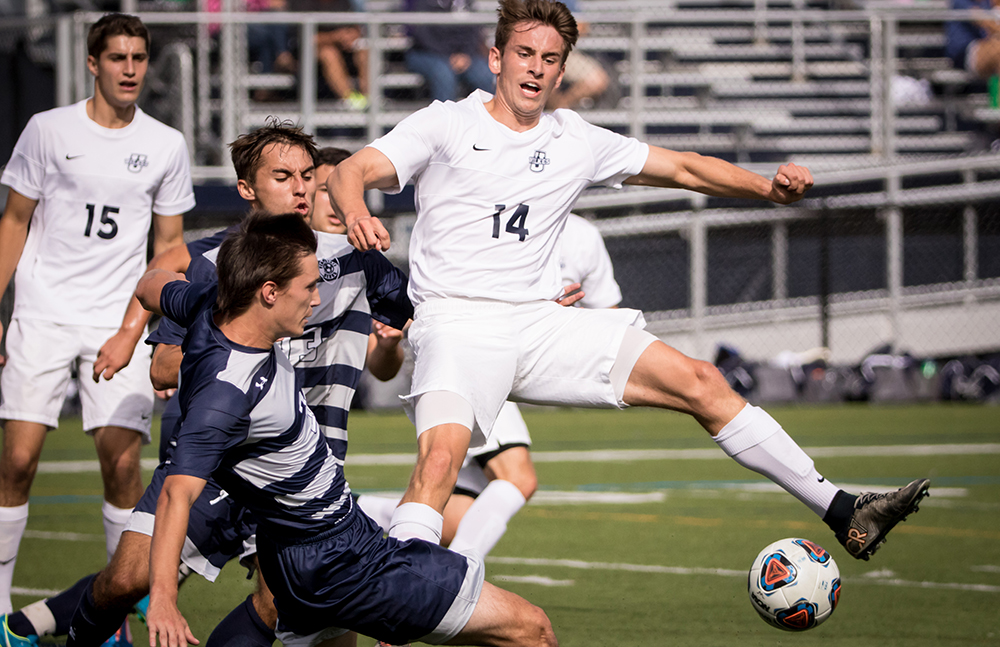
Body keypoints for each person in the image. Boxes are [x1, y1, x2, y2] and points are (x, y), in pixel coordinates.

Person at [328, 0, 930, 564]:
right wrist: (356, 210)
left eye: (550, 59)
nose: (536, 69)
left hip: (543, 323)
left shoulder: (576, 139)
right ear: (496, 58)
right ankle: (396, 594)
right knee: (438, 466)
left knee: (701, 379)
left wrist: (768, 189)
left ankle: (843, 510)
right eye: (524, 54)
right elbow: (353, 170)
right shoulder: (446, 123)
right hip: (457, 324)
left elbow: (685, 167)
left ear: (563, 69)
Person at [137, 213, 557, 647]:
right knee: (532, 629)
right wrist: (164, 598)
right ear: (268, 293)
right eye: (309, 287)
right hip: (339, 559)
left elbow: (150, 284)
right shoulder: (226, 395)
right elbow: (176, 493)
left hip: (300, 550)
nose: (316, 300)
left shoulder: (209, 305)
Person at [0, 11, 193, 621]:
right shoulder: (47, 130)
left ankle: (112, 616)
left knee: (122, 465)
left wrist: (144, 330)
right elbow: (13, 222)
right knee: (17, 462)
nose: (130, 69)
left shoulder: (166, 144)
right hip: (42, 314)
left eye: (139, 57)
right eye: (118, 58)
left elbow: (170, 248)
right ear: (93, 63)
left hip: (117, 323)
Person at [358, 213, 619, 557]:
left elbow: (608, 316)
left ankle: (355, 513)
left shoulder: (583, 235)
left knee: (456, 518)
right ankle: (458, 581)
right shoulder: (481, 211)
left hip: (516, 371)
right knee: (516, 477)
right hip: (471, 355)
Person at [404, 0, 496, 103]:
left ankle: (489, 118)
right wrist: (448, 56)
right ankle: (445, 118)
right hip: (426, 52)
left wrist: (465, 54)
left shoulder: (465, 2)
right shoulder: (421, 3)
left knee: (485, 74)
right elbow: (421, 33)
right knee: (443, 75)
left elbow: (474, 29)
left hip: (463, 55)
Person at [945, 0, 1000, 81]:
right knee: (998, 51)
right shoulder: (961, 2)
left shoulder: (987, 2)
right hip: (964, 53)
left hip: (987, 46)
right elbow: (983, 20)